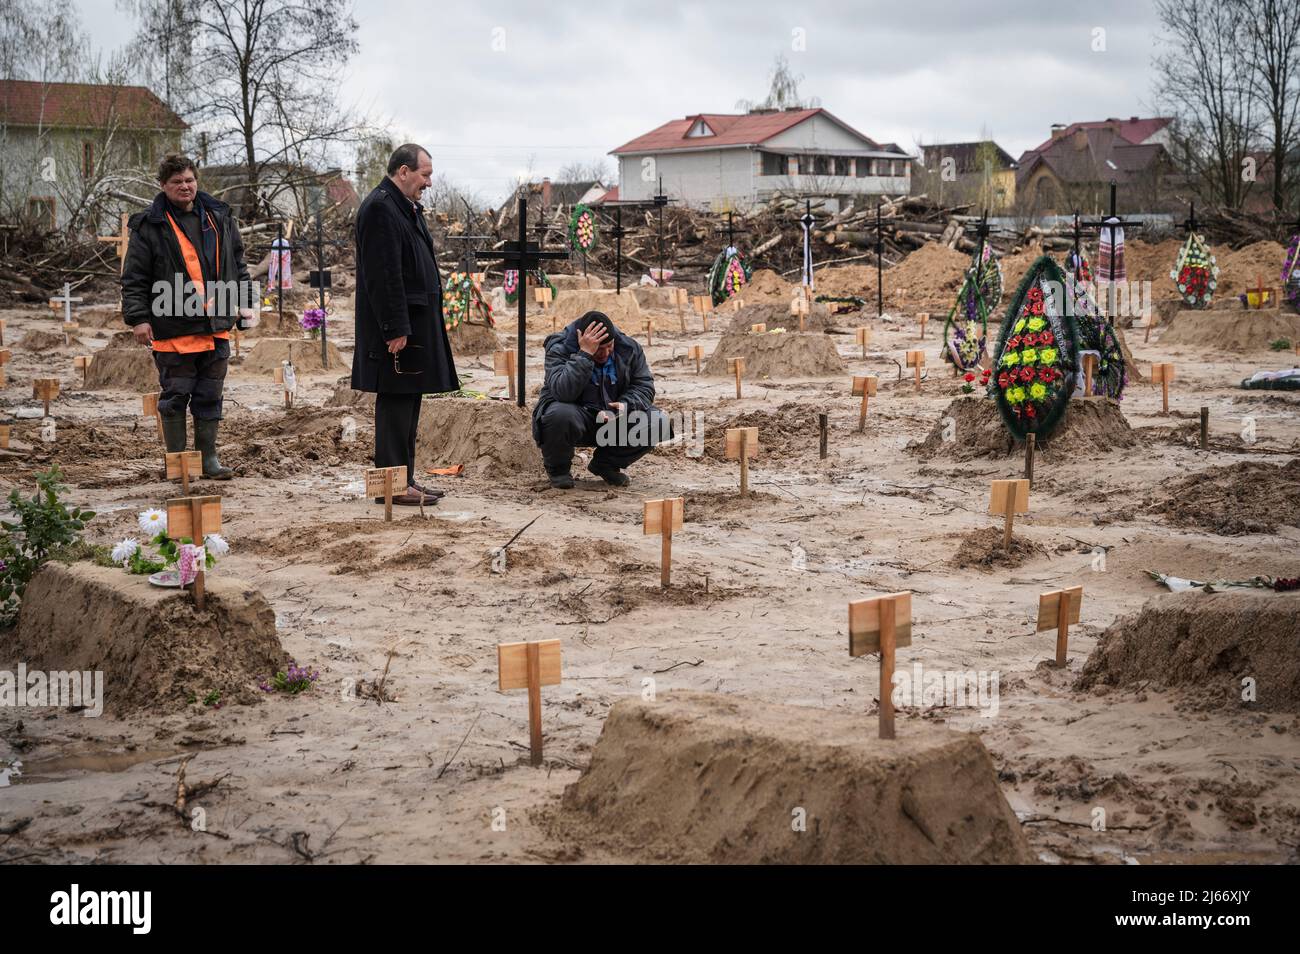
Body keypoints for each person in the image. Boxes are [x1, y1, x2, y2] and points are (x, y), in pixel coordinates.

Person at [121, 153, 255, 478]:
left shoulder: (218, 216)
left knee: (210, 394)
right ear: (163, 186)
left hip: (215, 324)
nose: (185, 186)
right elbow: (134, 276)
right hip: (173, 325)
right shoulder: (149, 225)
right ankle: (179, 464)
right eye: (177, 182)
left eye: (190, 180)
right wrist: (138, 318)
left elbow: (237, 263)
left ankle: (208, 460)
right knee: (176, 395)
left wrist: (246, 301)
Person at [353, 143, 458, 505]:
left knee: (408, 403)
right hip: (399, 329)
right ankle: (392, 486)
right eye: (424, 174)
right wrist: (394, 327)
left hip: (413, 324)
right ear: (403, 171)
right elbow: (383, 276)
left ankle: (405, 479)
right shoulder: (381, 208)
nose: (428, 182)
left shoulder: (403, 207)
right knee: (395, 405)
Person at [531, 310, 671, 488]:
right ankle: (558, 470)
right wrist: (584, 355)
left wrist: (625, 405)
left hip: (613, 418)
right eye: (599, 348)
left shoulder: (628, 348)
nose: (605, 353)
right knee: (559, 414)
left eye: (609, 346)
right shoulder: (560, 347)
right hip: (576, 418)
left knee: (658, 421)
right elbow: (562, 392)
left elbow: (644, 386)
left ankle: (606, 464)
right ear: (582, 340)